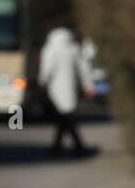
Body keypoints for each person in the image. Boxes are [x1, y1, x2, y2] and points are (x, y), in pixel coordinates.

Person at [38, 20, 96, 154]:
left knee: (64, 116)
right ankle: (69, 145)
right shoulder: (74, 48)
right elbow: (84, 69)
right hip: (71, 88)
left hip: (55, 89)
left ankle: (64, 146)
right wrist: (88, 85)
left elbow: (46, 70)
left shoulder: (50, 49)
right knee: (66, 116)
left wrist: (41, 84)